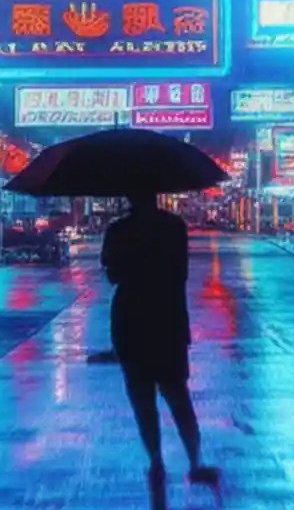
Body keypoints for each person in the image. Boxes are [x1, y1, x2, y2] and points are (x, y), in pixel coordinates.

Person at [101, 193, 219, 487]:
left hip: (130, 320)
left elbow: (112, 275)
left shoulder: (117, 231)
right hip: (167, 316)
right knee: (178, 395)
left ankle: (156, 460)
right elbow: (181, 274)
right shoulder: (174, 227)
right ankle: (195, 461)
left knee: (142, 398)